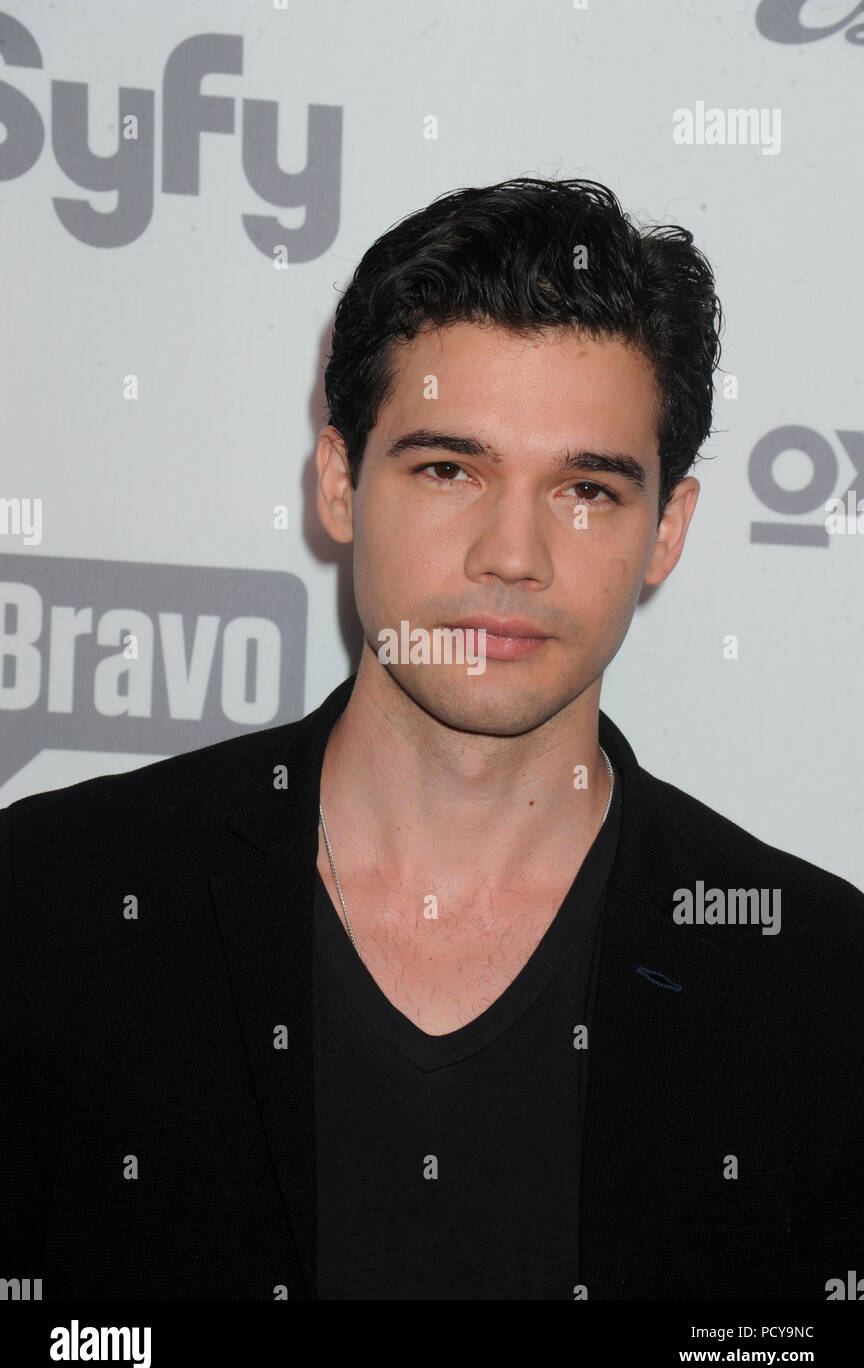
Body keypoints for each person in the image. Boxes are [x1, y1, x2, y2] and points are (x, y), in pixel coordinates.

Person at [1, 178, 861, 1301]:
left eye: (589, 489)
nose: (514, 552)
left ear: (669, 532)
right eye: (449, 469)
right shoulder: (53, 905)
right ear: (339, 485)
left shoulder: (818, 984)